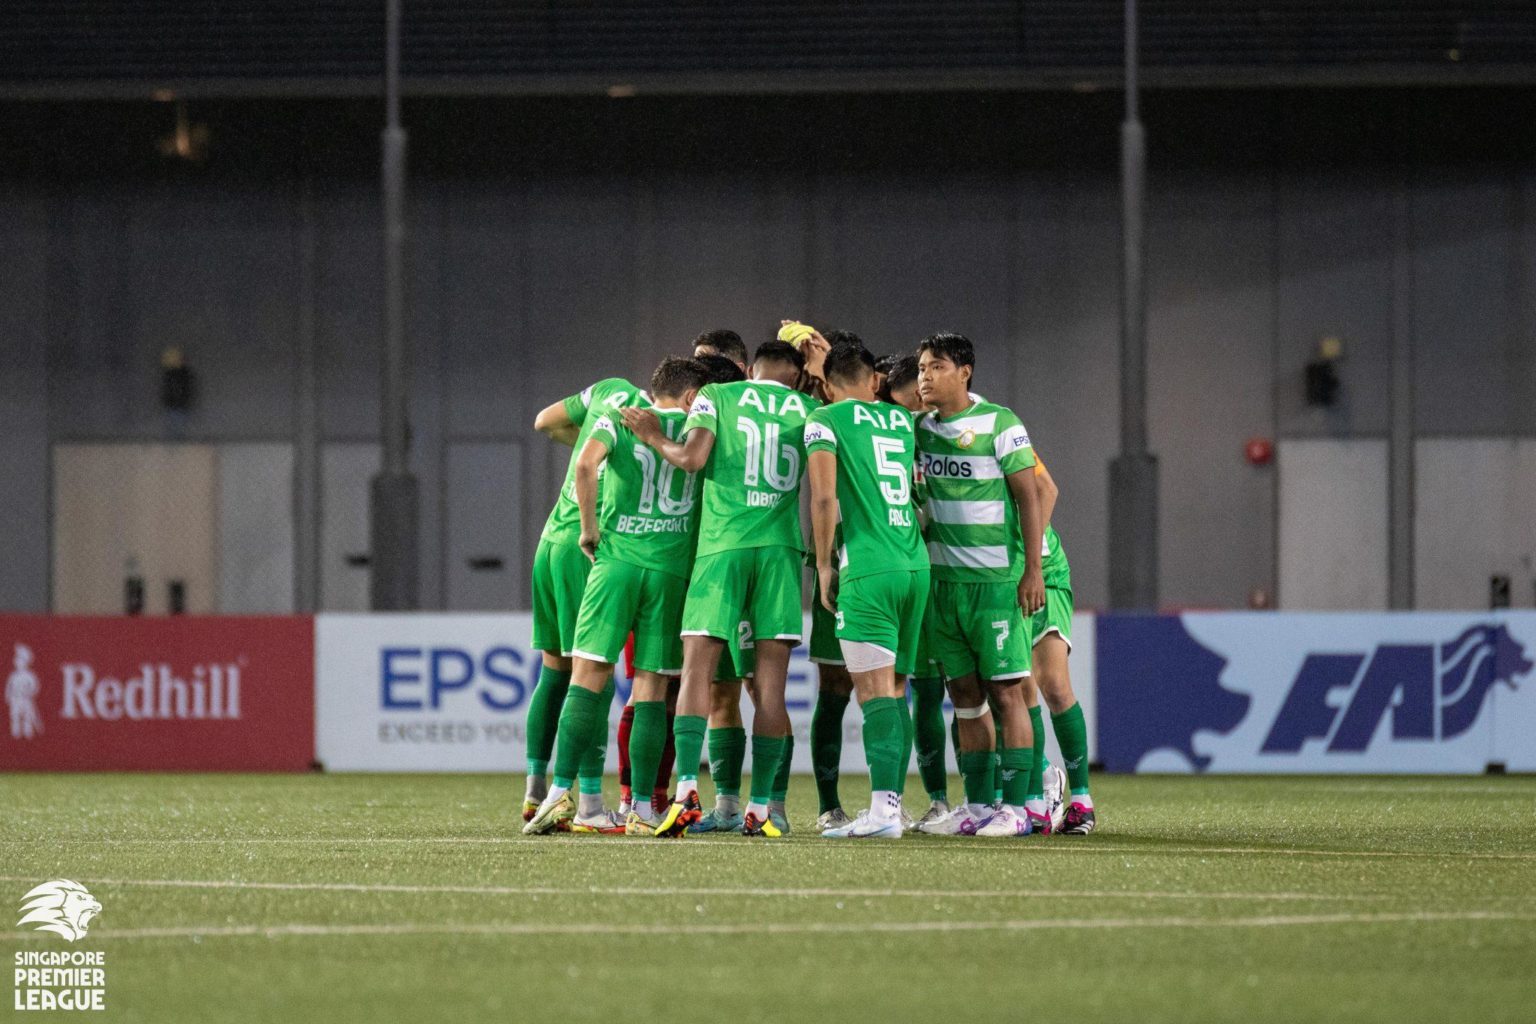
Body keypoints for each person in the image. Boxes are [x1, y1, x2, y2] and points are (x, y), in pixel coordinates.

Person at [626, 340, 819, 838]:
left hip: (722, 546)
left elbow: (691, 459)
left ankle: (688, 789)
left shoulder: (717, 396)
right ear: (796, 375)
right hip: (780, 552)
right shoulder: (810, 408)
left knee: (698, 670)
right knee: (770, 687)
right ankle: (762, 807)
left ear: (751, 369)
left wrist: (652, 435)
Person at [524, 357, 711, 836]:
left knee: (586, 674)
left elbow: (585, 463)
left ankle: (559, 794)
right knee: (651, 685)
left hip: (615, 564)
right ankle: (642, 810)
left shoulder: (617, 413)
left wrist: (589, 530)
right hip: (668, 571)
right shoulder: (701, 431)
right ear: (692, 396)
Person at [911, 332, 1046, 838]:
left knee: (1007, 693)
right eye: (922, 368)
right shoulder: (919, 429)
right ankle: (978, 806)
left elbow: (1030, 498)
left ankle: (1018, 808)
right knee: (965, 697)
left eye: (937, 366)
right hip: (944, 586)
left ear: (964, 372)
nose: (925, 377)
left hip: (994, 584)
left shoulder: (1001, 423)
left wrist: (1033, 570)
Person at [805, 341, 929, 839]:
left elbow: (823, 497)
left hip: (868, 566)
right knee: (896, 690)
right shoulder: (901, 420)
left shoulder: (823, 420)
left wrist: (823, 565)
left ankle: (881, 816)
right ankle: (891, 808)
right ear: (875, 381)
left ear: (826, 385)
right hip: (914, 565)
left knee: (873, 693)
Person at [525, 374, 652, 831]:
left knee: (554, 672)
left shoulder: (610, 390)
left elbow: (544, 422)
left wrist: (588, 443)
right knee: (594, 674)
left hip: (549, 544)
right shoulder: (661, 426)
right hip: (587, 550)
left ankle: (534, 789)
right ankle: (591, 806)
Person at [1029, 456, 1095, 834]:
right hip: (991, 576)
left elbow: (1047, 489)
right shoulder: (928, 441)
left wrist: (1031, 561)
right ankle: (1042, 778)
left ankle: (1082, 802)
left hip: (1041, 572)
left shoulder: (999, 430)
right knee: (1006, 691)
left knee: (1053, 684)